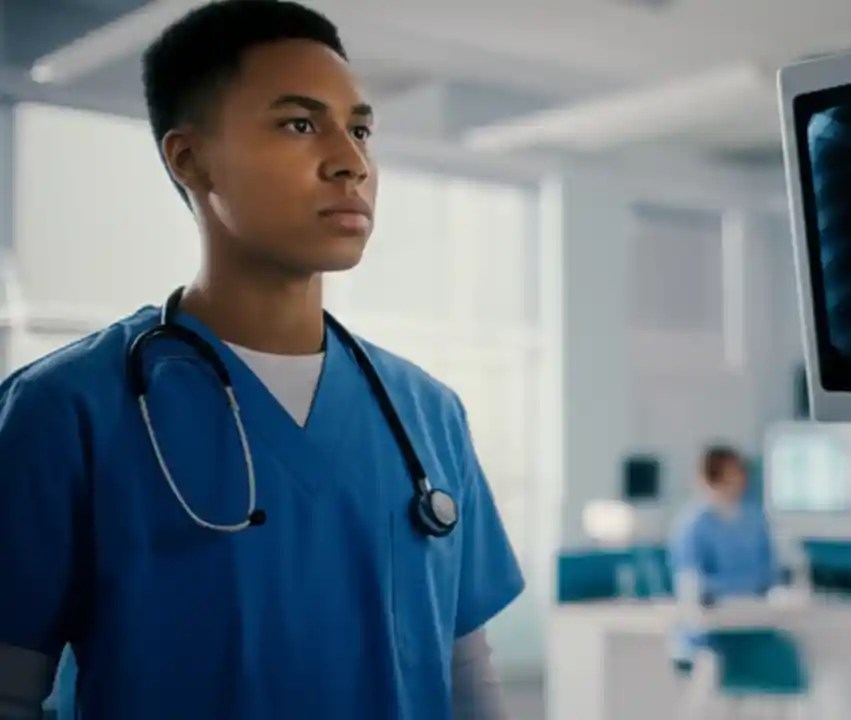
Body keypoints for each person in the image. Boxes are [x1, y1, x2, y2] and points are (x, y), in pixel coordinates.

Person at [0, 3, 523, 718]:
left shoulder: (427, 413)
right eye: (300, 124)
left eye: (360, 128)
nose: (352, 161)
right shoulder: (67, 409)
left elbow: (470, 680)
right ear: (190, 158)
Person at [667, 445, 780, 671]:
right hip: (709, 629)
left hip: (752, 622)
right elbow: (690, 581)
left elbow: (769, 572)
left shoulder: (754, 520)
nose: (738, 480)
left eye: (739, 472)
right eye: (731, 473)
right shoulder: (694, 524)